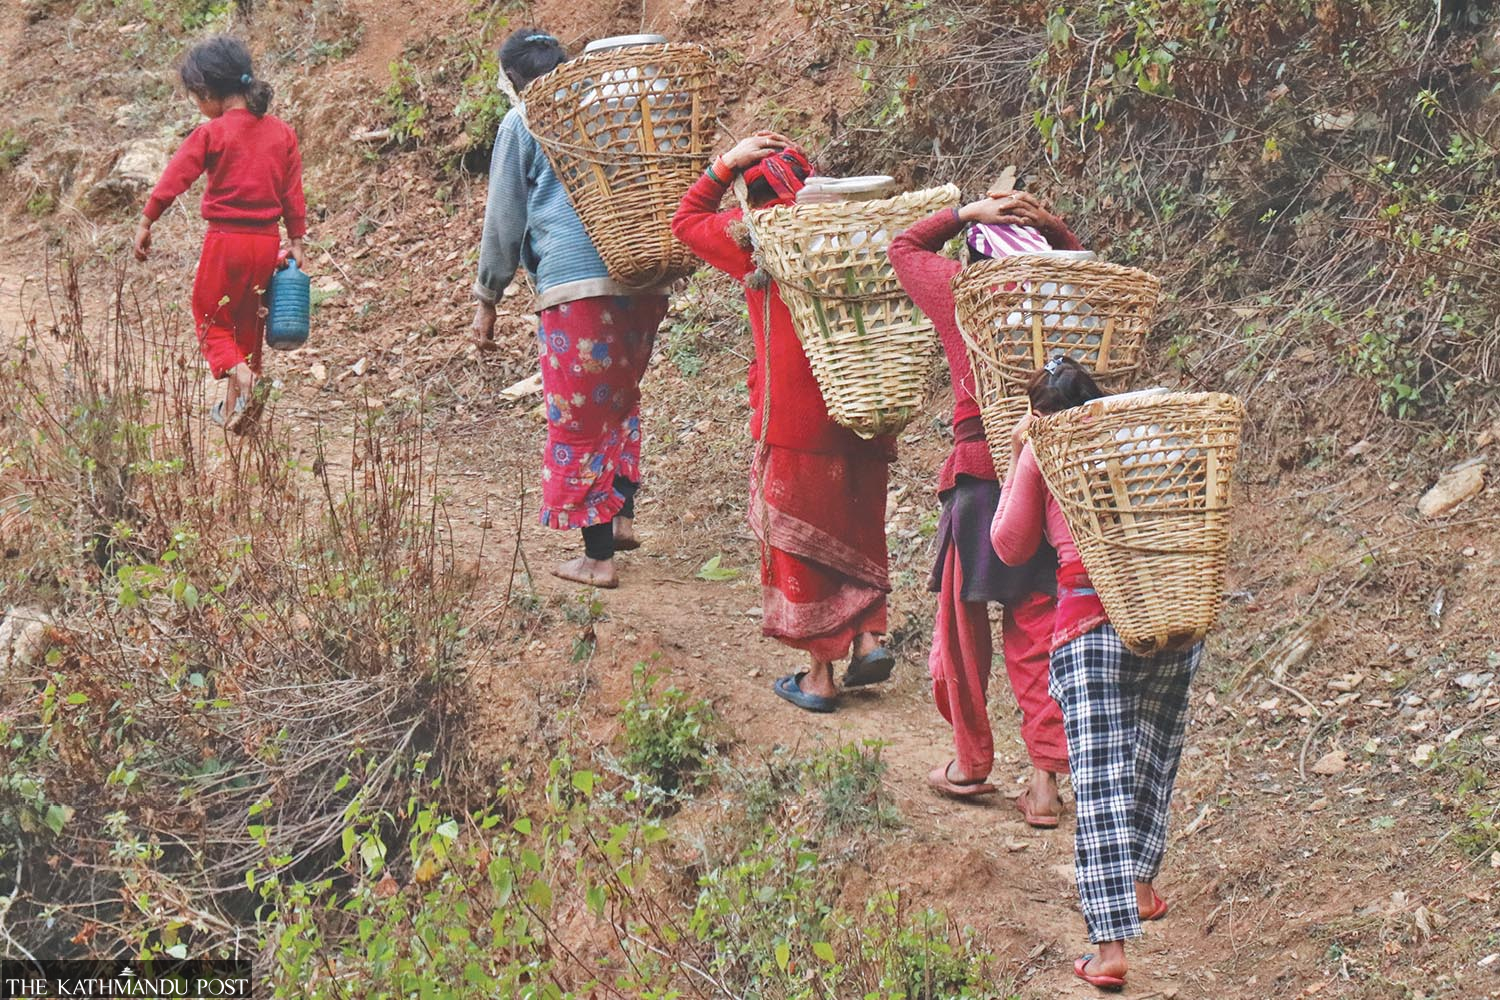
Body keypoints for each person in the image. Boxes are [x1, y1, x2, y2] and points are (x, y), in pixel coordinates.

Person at [990, 356, 1201, 991]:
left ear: (1039, 410)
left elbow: (1010, 544)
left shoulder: (1048, 446)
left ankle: (1108, 949)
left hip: (1091, 629)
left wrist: (1024, 455)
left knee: (1102, 783)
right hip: (1172, 616)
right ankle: (1139, 886)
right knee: (1153, 758)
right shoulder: (1144, 433)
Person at [671, 131, 895, 712]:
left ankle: (819, 676)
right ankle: (869, 635)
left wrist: (722, 167)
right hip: (868, 404)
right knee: (857, 526)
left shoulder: (759, 236)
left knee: (801, 538)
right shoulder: (860, 236)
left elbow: (687, 219)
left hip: (794, 416)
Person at [889, 187, 1081, 822]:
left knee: (962, 636)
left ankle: (971, 764)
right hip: (1043, 479)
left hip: (978, 481)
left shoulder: (962, 298)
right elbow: (1085, 266)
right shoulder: (1065, 304)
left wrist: (965, 213)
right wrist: (1049, 221)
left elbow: (904, 247)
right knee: (1034, 634)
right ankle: (1046, 788)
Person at [472, 29, 672, 589]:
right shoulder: (622, 114)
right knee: (620, 401)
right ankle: (622, 516)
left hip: (576, 291)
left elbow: (504, 218)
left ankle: (598, 558)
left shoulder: (527, 120)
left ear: (514, 82)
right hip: (644, 282)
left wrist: (487, 296)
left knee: (577, 418)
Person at [134, 35, 305, 434]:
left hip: (225, 242)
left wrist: (147, 220)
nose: (198, 105)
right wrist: (296, 240)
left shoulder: (211, 134)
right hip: (267, 245)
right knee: (247, 325)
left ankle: (247, 383)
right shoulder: (282, 134)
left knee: (211, 318)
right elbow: (293, 192)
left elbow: (175, 178)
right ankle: (233, 410)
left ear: (208, 91)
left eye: (196, 96)